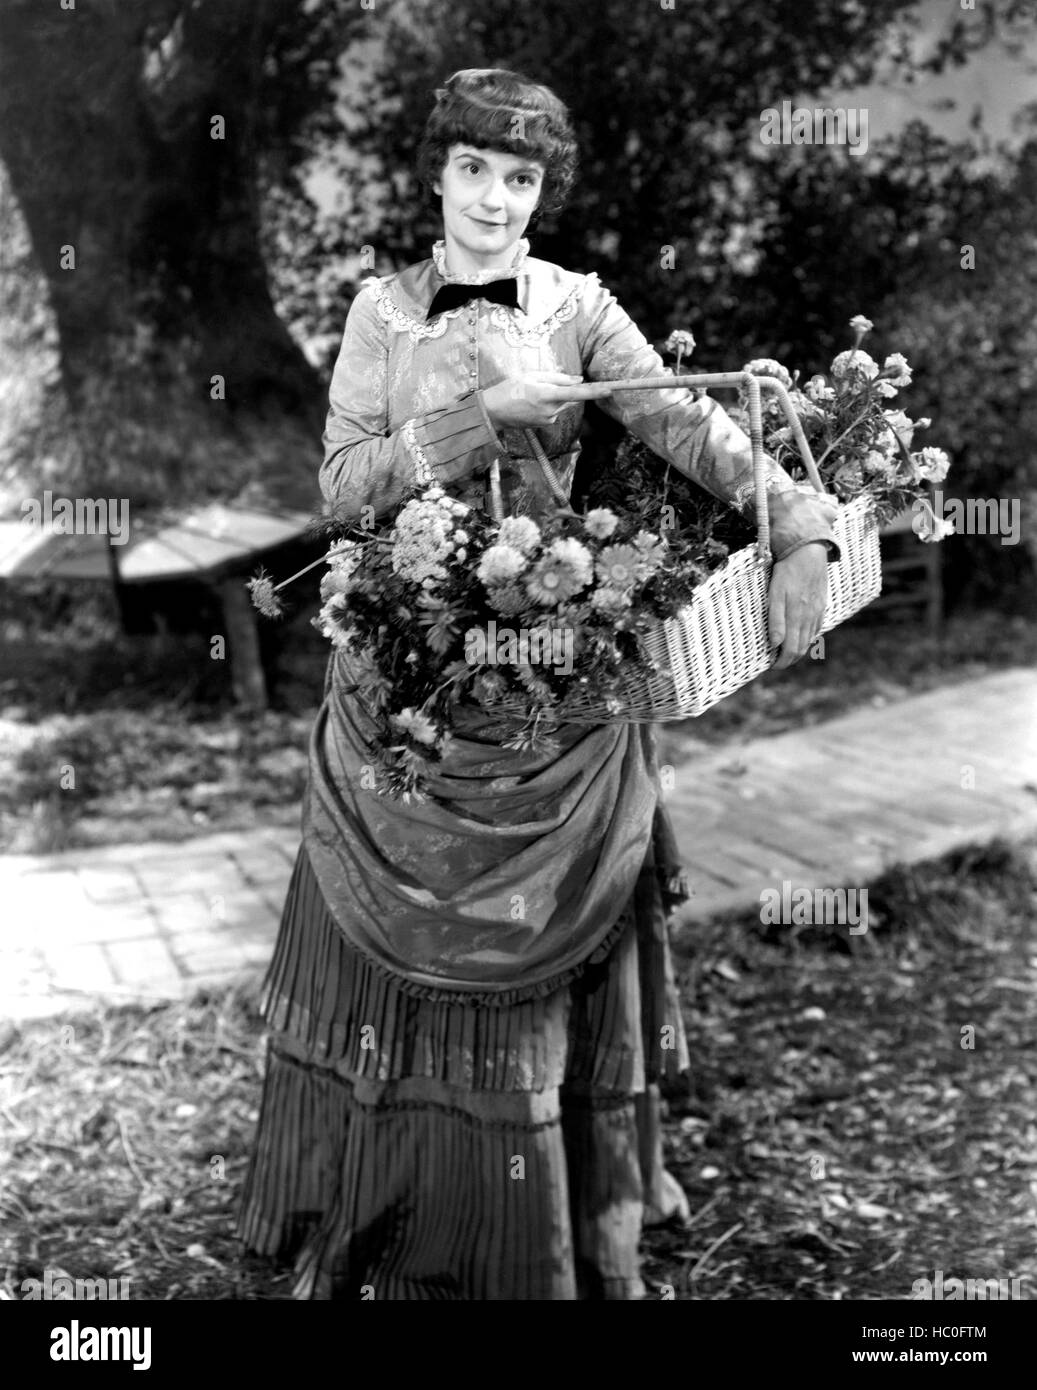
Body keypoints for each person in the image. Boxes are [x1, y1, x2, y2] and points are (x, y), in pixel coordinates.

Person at [237, 67, 839, 1300]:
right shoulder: (379, 314)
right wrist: (472, 420)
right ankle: (395, 1208)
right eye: (474, 171)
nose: (495, 200)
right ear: (438, 177)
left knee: (554, 948)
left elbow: (682, 419)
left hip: (555, 683)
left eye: (520, 180)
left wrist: (799, 520)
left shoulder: (574, 304)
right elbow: (342, 491)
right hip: (407, 689)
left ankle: (559, 1228)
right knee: (395, 951)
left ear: (539, 193)